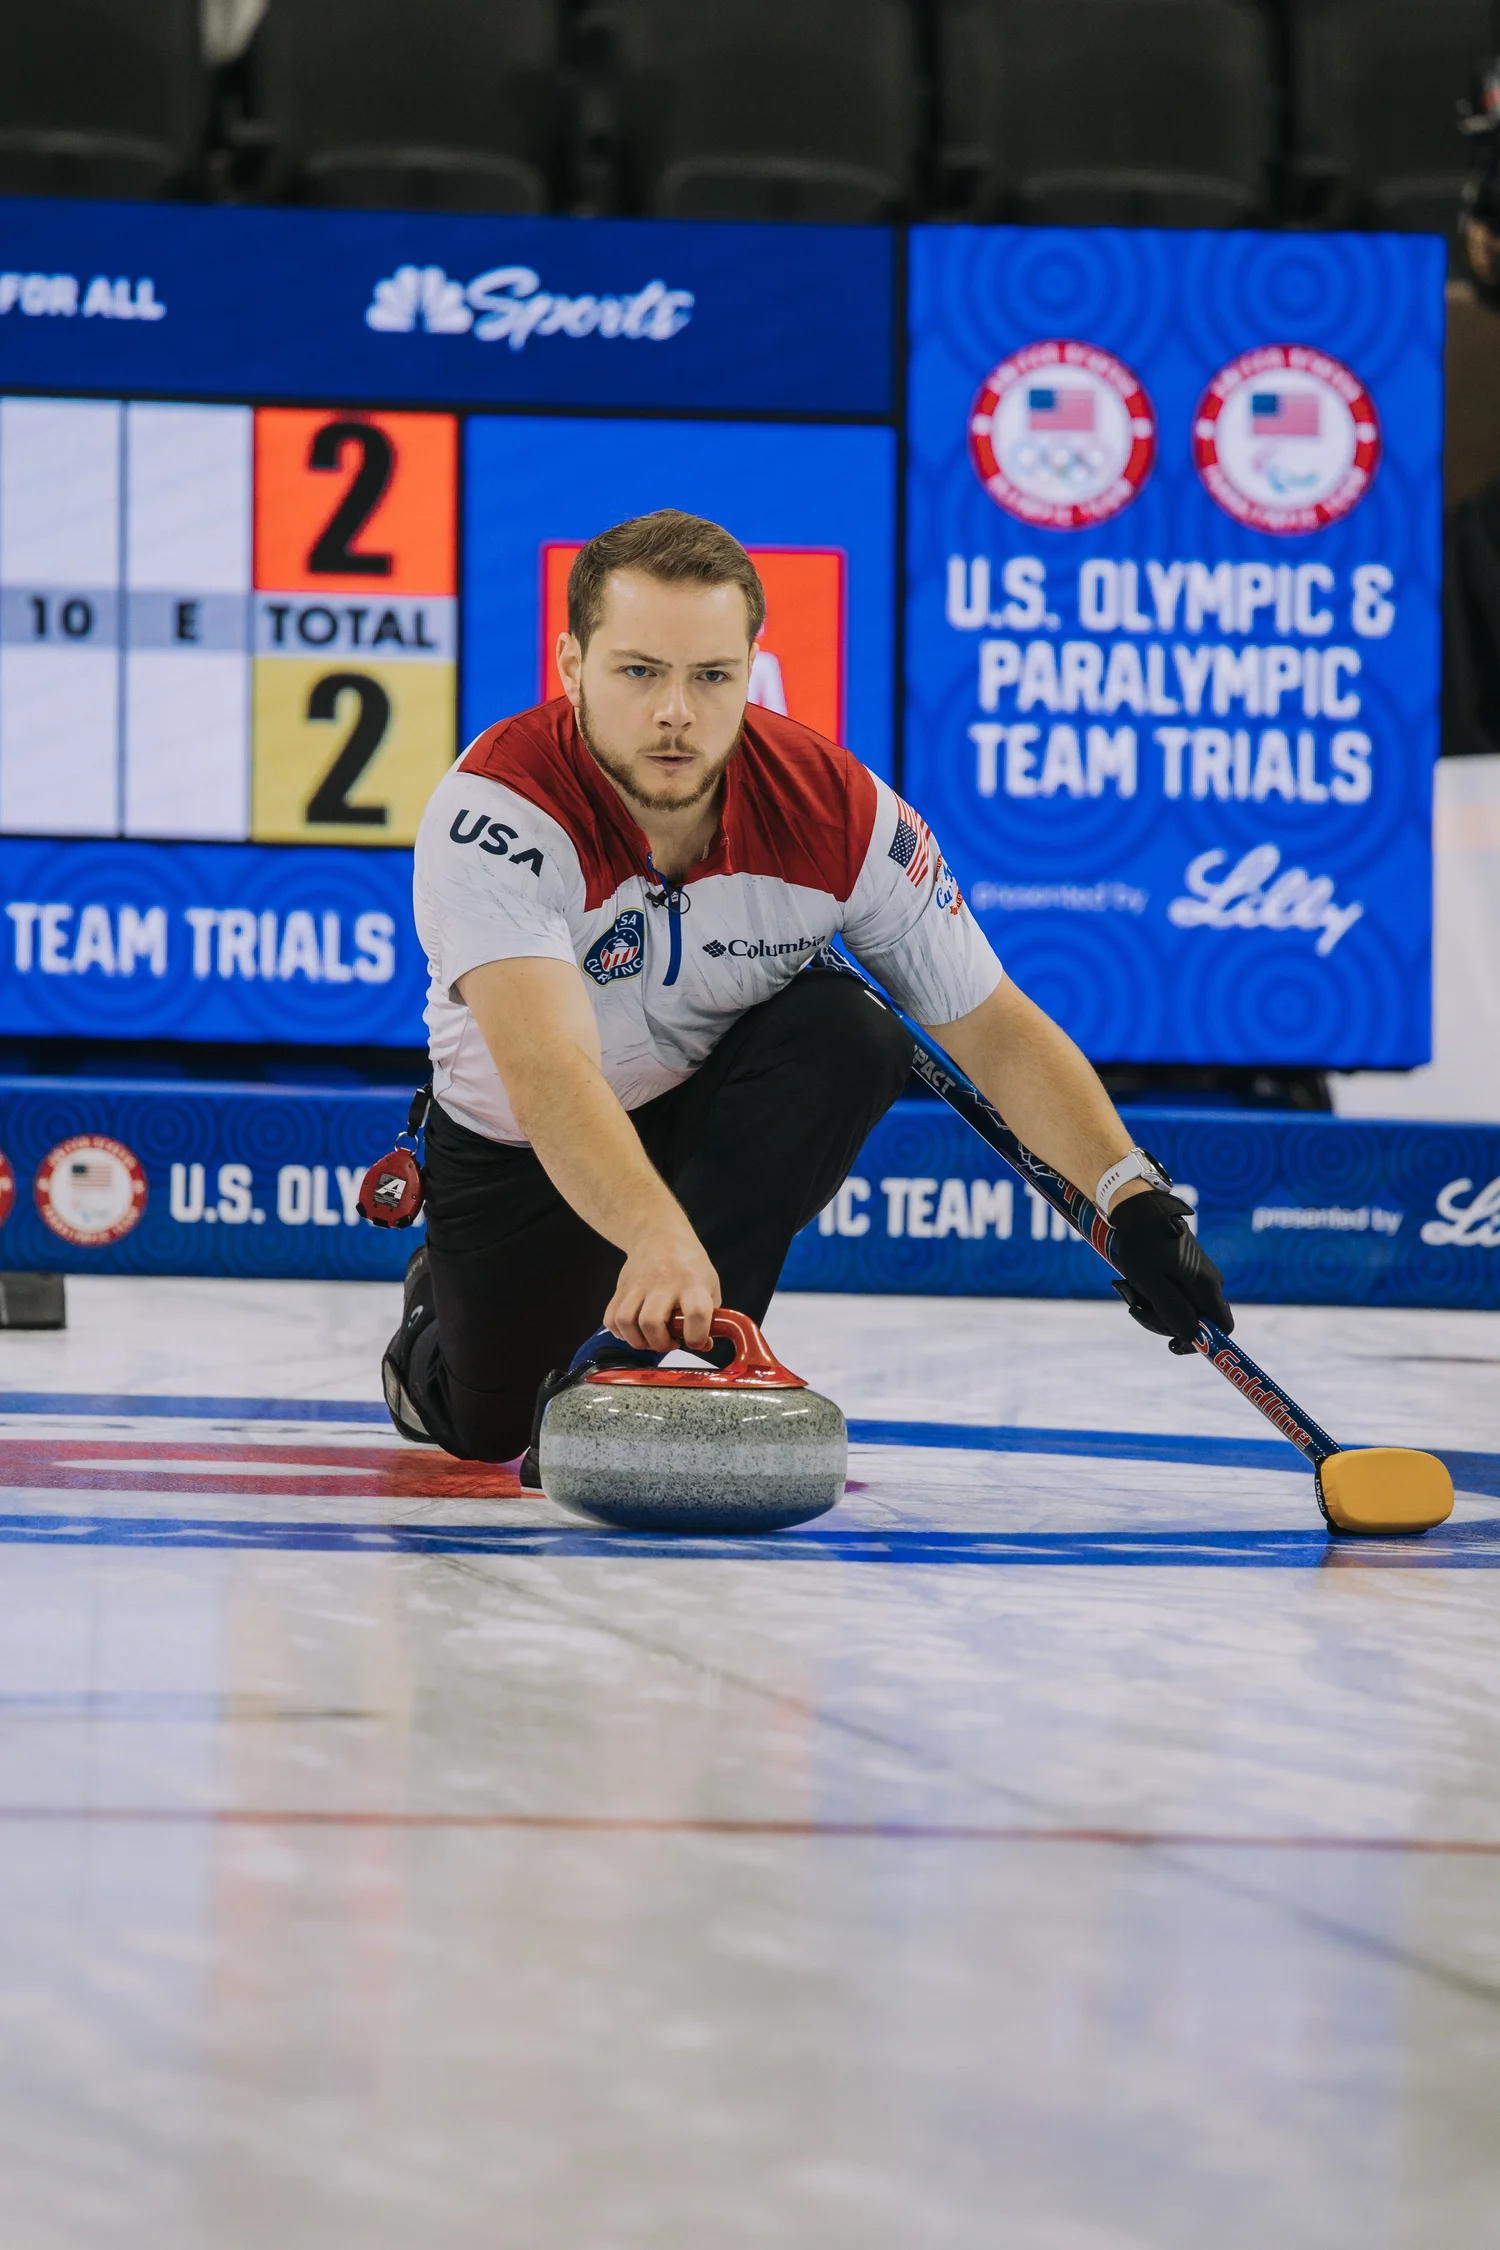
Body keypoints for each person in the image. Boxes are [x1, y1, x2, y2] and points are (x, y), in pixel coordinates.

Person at [383, 509, 1232, 1469]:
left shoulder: (841, 812)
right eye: (638, 672)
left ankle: (670, 1369)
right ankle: (435, 1323)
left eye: (712, 677)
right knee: (485, 1429)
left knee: (854, 1031)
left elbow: (991, 1025)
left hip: (701, 1113)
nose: (676, 713)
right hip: (523, 1148)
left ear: (752, 669)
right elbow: (550, 1076)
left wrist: (1133, 1197)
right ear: (571, 665)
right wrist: (657, 1236)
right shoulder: (495, 809)